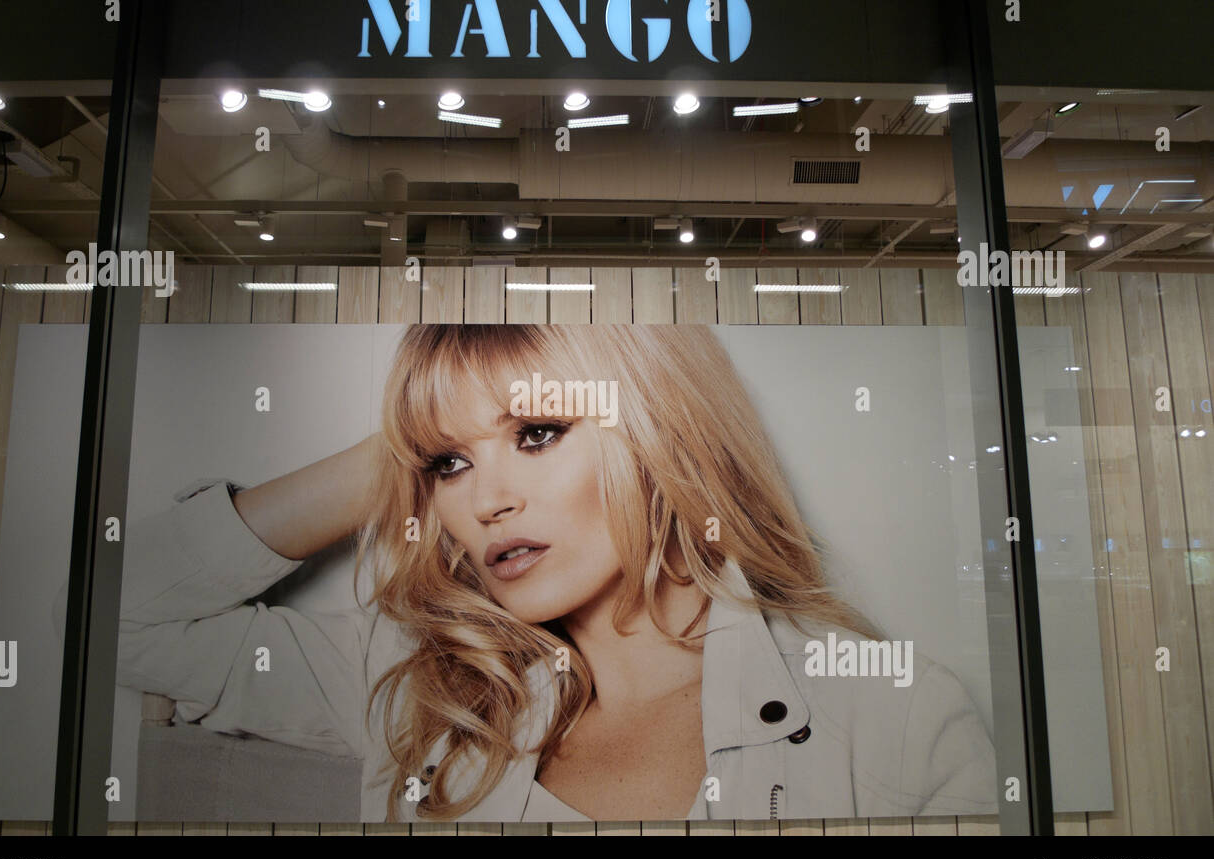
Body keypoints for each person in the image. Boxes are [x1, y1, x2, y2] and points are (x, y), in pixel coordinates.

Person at [117, 324, 997, 822]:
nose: (486, 501)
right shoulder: (419, 692)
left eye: (536, 434)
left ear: (663, 435)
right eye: (450, 466)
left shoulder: (896, 719)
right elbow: (112, 618)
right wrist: (395, 451)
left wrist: (445, 431)